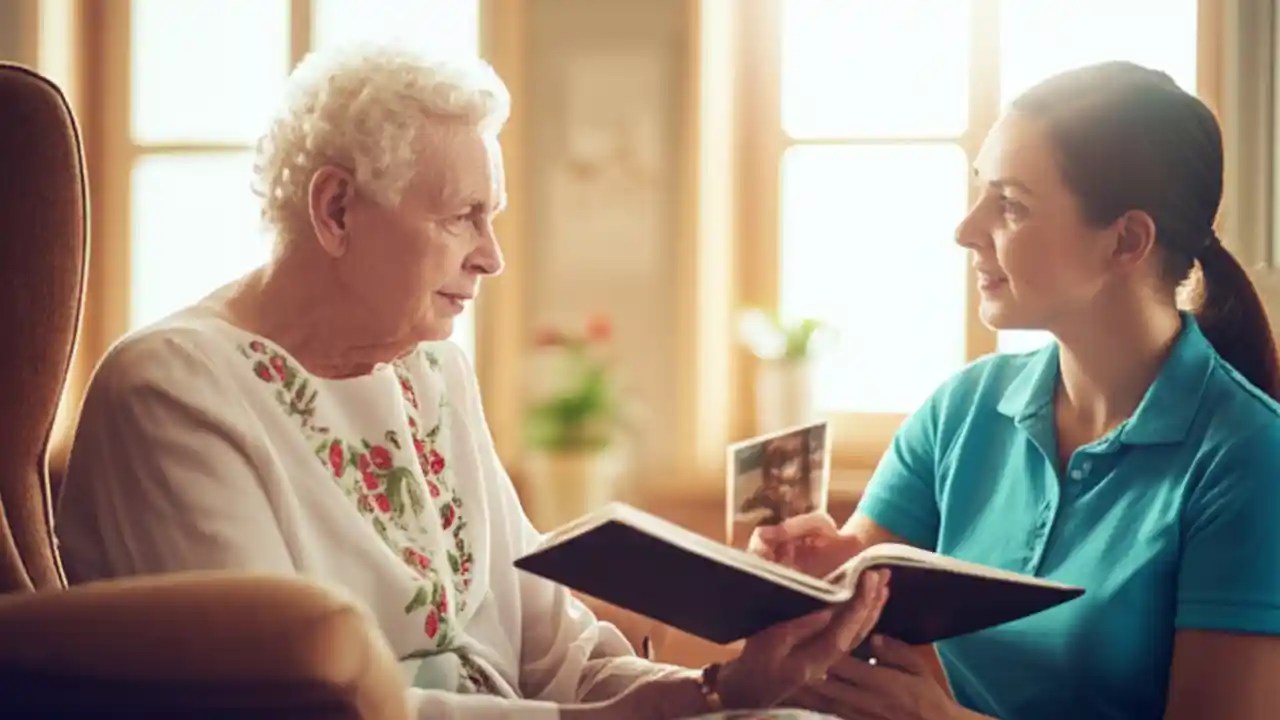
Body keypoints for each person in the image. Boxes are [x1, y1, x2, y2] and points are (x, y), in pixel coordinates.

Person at [54, 45, 889, 719]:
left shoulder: (434, 371)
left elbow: (550, 650)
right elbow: (285, 699)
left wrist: (726, 690)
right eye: (462, 216)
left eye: (492, 218)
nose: (492, 255)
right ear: (336, 210)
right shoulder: (172, 389)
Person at [750, 61, 1280, 720]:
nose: (966, 230)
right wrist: (811, 576)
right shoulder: (961, 411)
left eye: (1010, 205)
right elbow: (862, 587)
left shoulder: (1250, 457)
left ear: (1127, 240)